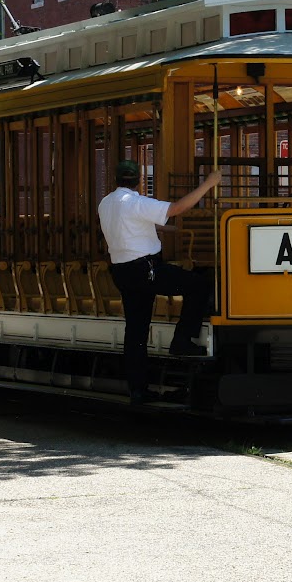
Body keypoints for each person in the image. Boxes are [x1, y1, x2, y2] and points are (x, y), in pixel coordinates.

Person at [98, 160, 223, 403]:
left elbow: (127, 225)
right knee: (198, 285)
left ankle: (138, 390)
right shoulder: (136, 202)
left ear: (116, 180)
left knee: (136, 332)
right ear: (139, 181)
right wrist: (208, 183)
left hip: (122, 272)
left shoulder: (106, 203)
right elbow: (176, 208)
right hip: (146, 269)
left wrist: (163, 229)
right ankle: (182, 341)